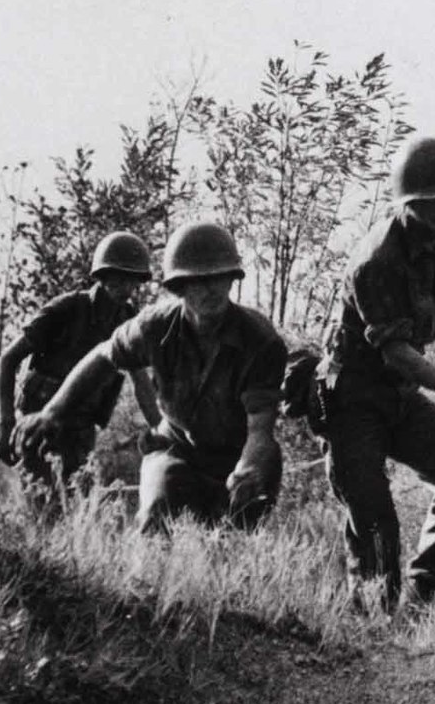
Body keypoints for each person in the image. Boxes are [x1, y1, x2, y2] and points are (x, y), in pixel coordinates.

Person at [320, 134, 435, 610]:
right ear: (409, 202)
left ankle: (423, 594)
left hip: (399, 394)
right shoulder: (376, 260)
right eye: (434, 199)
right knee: (375, 528)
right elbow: (398, 354)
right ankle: (373, 623)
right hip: (351, 399)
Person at [18, 222, 287, 533]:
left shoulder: (260, 340)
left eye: (219, 278)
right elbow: (104, 357)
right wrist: (53, 412)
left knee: (236, 534)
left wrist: (249, 466)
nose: (210, 289)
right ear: (179, 286)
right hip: (175, 447)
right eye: (198, 281)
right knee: (155, 521)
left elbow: (260, 428)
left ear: (232, 279)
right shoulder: (154, 326)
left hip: (239, 454)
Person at [0, 231, 159, 503]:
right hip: (40, 423)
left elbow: (142, 382)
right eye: (118, 278)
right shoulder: (66, 309)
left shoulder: (129, 322)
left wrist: (161, 431)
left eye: (133, 280)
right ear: (102, 276)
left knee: (79, 507)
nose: (126, 287)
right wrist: (6, 425)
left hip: (81, 430)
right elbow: (7, 360)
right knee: (43, 504)